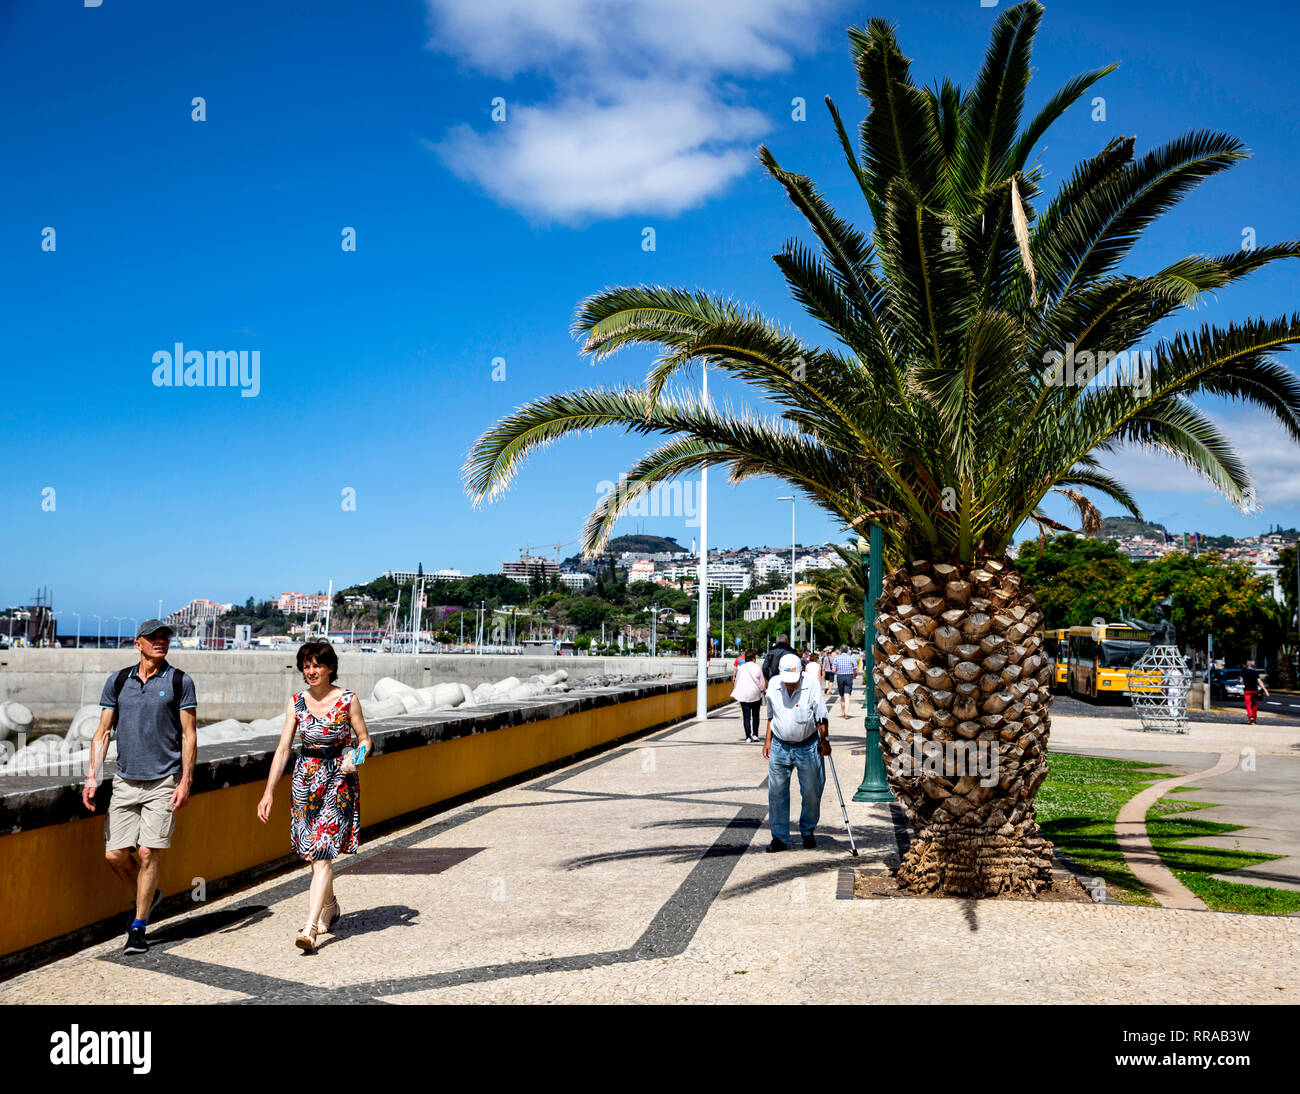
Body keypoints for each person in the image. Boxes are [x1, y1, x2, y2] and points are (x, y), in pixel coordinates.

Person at [82, 620, 197, 956]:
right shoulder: (118, 681)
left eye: (165, 638)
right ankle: (149, 894)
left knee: (147, 852)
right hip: (125, 781)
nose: (161, 642)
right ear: (138, 644)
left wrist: (186, 781)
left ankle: (138, 927)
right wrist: (93, 776)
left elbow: (189, 734)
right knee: (115, 854)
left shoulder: (179, 681)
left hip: (164, 782)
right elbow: (103, 732)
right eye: (154, 638)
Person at [258, 640, 372, 952]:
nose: (311, 671)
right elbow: (283, 749)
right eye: (306, 666)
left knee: (322, 851)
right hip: (305, 782)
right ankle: (331, 905)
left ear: (330, 668)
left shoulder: (348, 700)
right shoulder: (296, 702)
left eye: (317, 665)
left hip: (338, 778)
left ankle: (309, 928)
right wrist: (268, 792)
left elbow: (364, 740)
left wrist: (356, 758)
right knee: (314, 853)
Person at [763, 653, 831, 851]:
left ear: (801, 673)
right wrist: (767, 741)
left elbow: (821, 716)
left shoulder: (811, 684)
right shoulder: (774, 686)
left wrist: (824, 740)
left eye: (794, 682)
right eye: (787, 682)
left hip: (808, 745)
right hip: (779, 745)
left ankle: (808, 831)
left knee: (812, 790)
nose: (790, 685)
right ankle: (779, 837)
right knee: (776, 792)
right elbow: (770, 716)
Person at [731, 649, 765, 742]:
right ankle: (755, 735)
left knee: (746, 716)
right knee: (755, 715)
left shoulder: (741, 668)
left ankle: (748, 737)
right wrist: (764, 690)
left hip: (744, 695)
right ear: (754, 658)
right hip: (755, 695)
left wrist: (736, 692)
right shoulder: (757, 667)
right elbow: (762, 682)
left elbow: (736, 681)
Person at [831, 645, 858, 718]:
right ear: (847, 651)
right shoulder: (851, 658)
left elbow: (833, 670)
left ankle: (842, 712)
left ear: (840, 650)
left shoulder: (837, 658)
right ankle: (846, 712)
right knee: (847, 696)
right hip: (849, 676)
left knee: (842, 696)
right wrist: (855, 673)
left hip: (840, 677)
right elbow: (855, 669)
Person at [1242, 660, 1270, 725]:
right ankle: (1254, 720)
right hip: (1255, 690)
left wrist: (1242, 681)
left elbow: (1241, 680)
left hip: (1247, 690)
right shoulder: (1255, 672)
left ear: (1247, 665)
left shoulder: (1244, 671)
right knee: (1254, 704)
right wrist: (1265, 690)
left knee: (1248, 704)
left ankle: (1250, 716)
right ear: (1253, 665)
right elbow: (1260, 682)